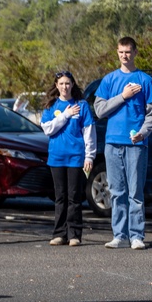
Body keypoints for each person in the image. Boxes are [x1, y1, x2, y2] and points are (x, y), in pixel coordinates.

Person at [93, 36, 152, 250]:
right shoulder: (109, 80)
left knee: (135, 193)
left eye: (128, 51)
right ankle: (119, 236)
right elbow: (100, 110)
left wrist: (142, 133)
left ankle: (137, 236)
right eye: (121, 51)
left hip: (136, 145)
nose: (124, 55)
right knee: (117, 191)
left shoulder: (145, 80)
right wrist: (123, 95)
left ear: (135, 53)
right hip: (113, 143)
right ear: (117, 52)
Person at [40, 71, 96, 247]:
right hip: (56, 158)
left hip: (76, 158)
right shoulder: (51, 107)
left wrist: (90, 156)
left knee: (74, 197)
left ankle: (74, 235)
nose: (65, 87)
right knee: (60, 197)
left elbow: (89, 132)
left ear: (72, 85)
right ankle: (59, 234)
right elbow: (48, 129)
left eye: (67, 83)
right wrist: (65, 114)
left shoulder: (82, 106)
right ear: (56, 86)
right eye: (61, 83)